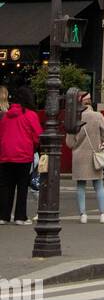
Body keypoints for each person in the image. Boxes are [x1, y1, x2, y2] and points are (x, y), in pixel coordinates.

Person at [65, 91, 104, 223]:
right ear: (91, 102)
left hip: (79, 157)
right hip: (94, 155)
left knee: (80, 185)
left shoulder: (74, 118)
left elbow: (69, 143)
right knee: (98, 184)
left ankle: (83, 215)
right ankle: (103, 214)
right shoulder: (98, 116)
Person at [0, 85, 42, 225]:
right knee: (22, 186)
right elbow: (38, 136)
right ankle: (20, 216)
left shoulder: (6, 115)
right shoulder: (31, 115)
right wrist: (34, 147)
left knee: (6, 186)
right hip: (23, 154)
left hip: (5, 154)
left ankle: (4, 216)